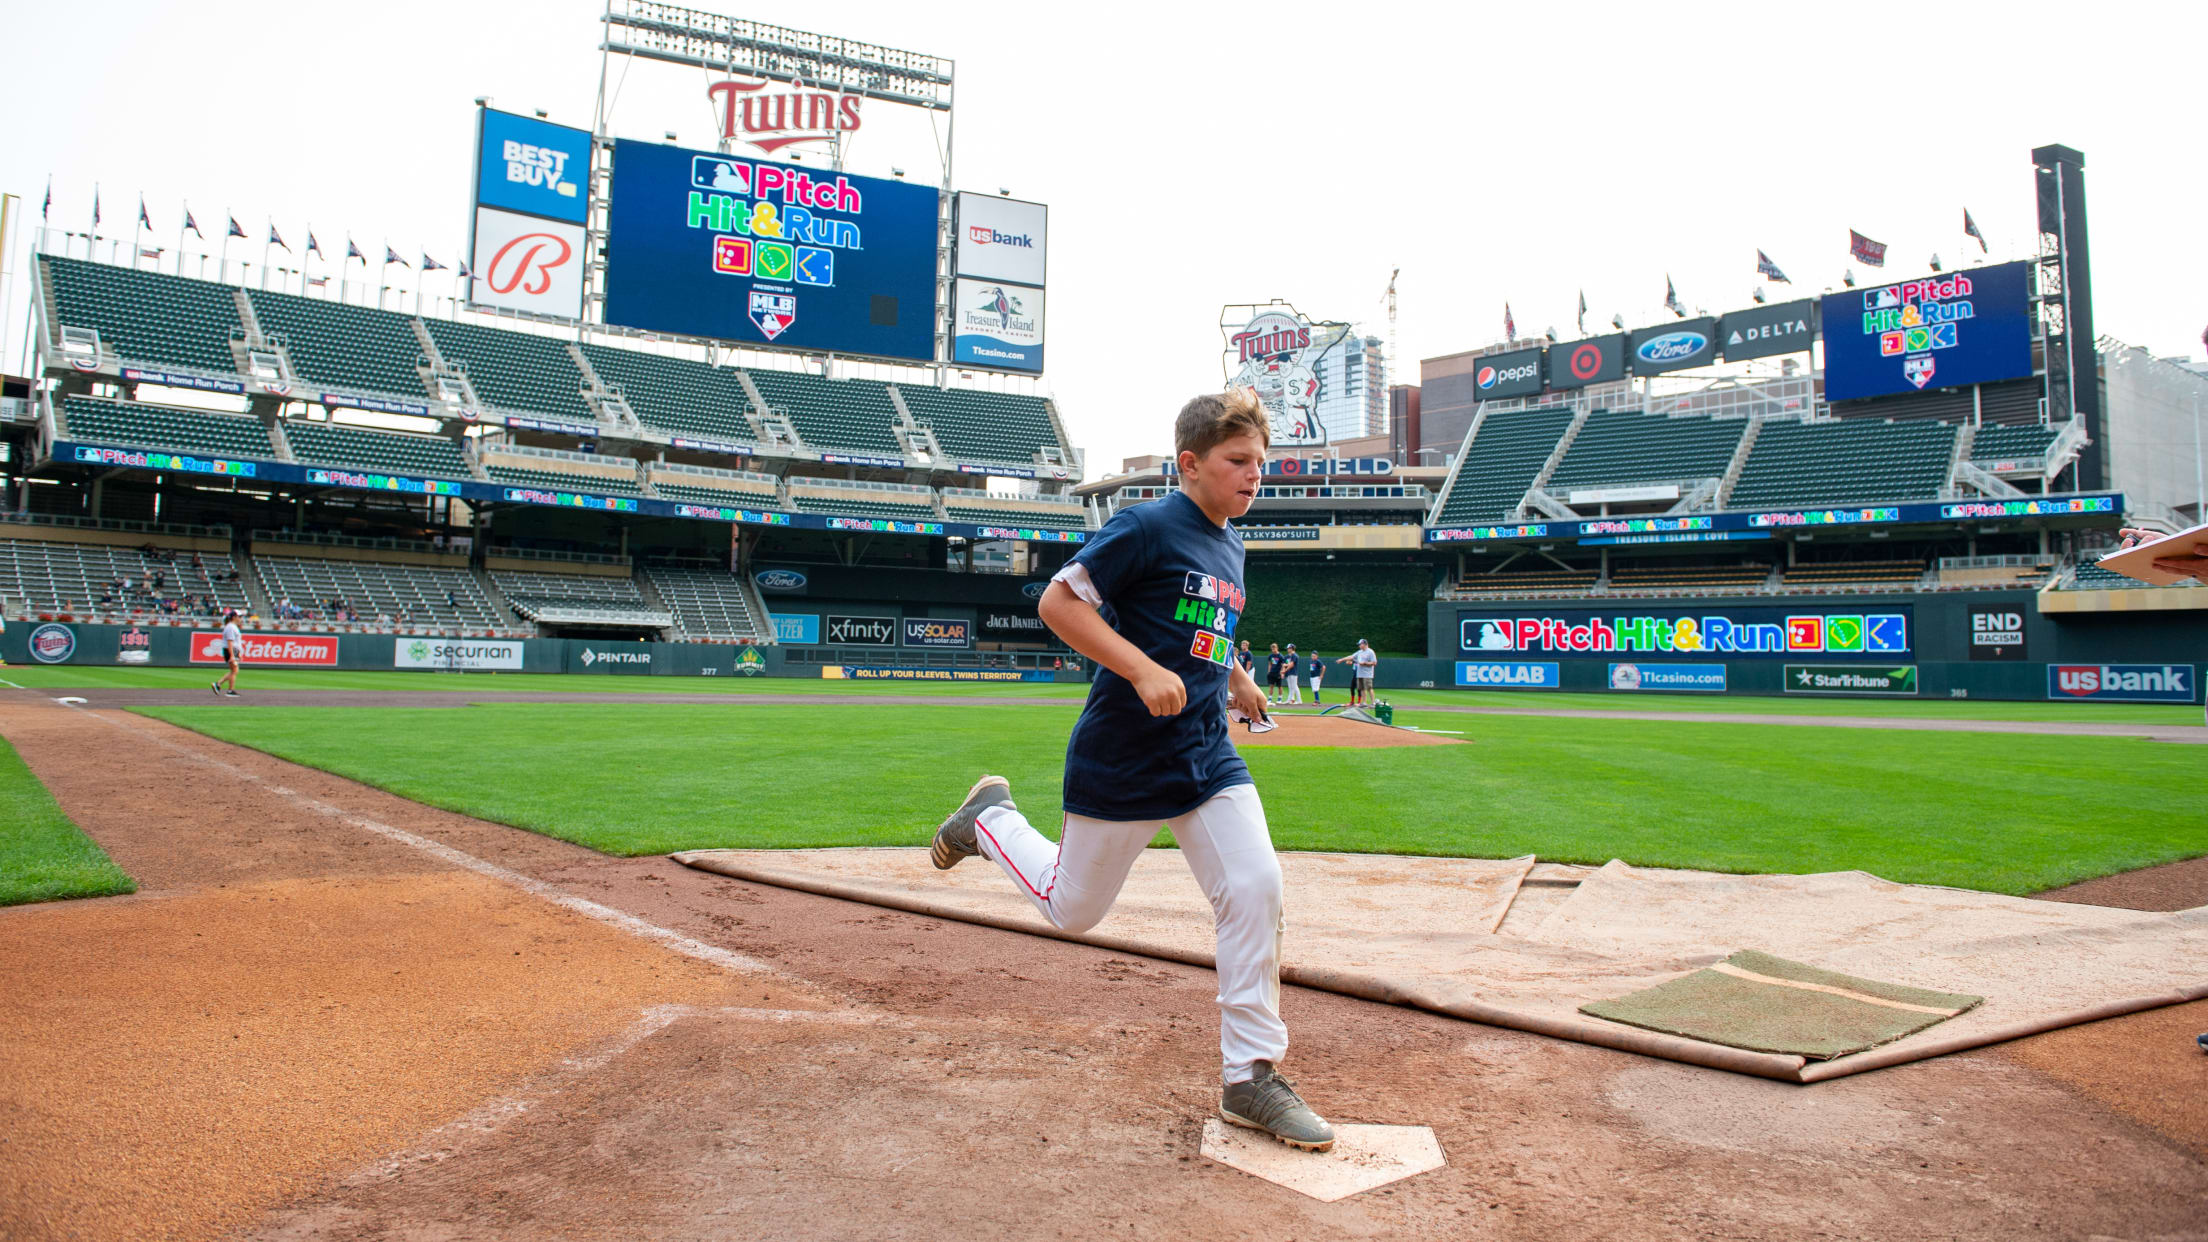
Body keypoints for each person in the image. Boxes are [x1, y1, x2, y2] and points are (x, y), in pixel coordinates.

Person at [927, 386, 1334, 1152]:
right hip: (1124, 754)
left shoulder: (1231, 544)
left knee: (1255, 886)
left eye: (1260, 461)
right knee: (1073, 910)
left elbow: (1201, 625)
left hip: (1204, 754)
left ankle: (1250, 1076)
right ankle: (991, 821)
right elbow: (1059, 603)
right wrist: (1142, 669)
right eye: (1237, 460)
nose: (1254, 474)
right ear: (1190, 463)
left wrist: (1238, 676)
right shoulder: (1146, 526)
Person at [211, 609, 244, 697]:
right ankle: (229, 690)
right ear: (234, 617)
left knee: (234, 671)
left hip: (234, 650)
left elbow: (235, 642)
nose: (241, 618)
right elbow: (230, 642)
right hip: (231, 650)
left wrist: (238, 653)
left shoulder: (232, 626)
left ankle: (218, 684)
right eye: (239, 617)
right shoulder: (230, 627)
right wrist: (232, 655)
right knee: (234, 671)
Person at [1339, 638, 1379, 708]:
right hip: (1360, 674)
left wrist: (1365, 663)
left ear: (1364, 644)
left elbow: (1374, 663)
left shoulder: (1370, 652)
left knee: (1369, 688)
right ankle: (1364, 703)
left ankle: (1373, 703)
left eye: (1360, 644)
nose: (1359, 646)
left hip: (1367, 674)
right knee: (1362, 688)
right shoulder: (1359, 652)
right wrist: (1342, 659)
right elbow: (1351, 657)